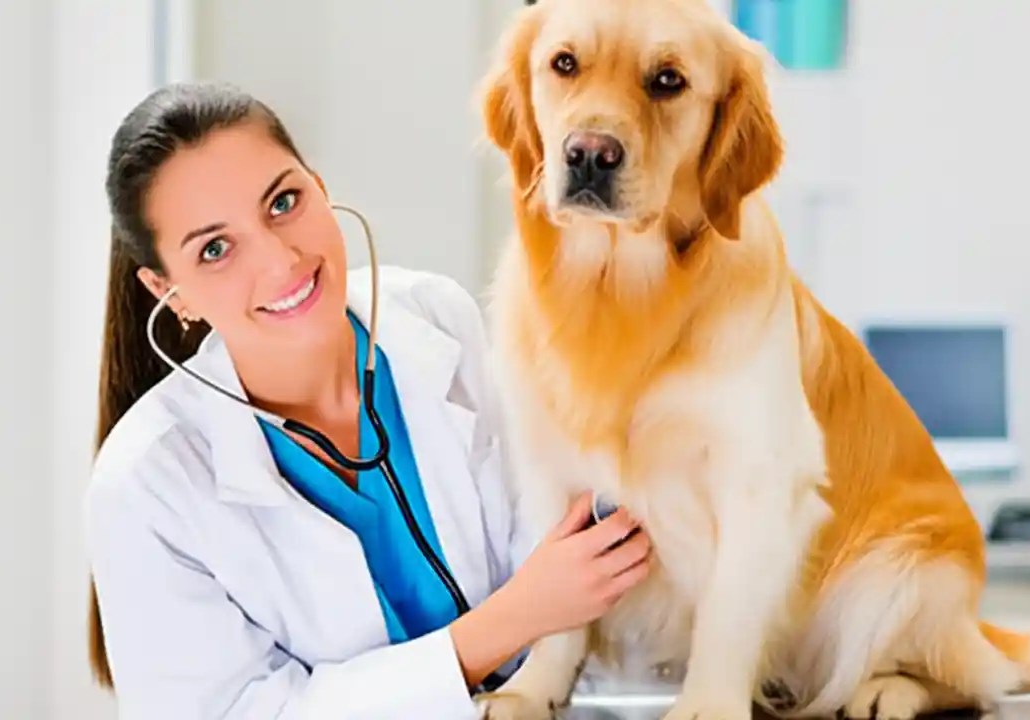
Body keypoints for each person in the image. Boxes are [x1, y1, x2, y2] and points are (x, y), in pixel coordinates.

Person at [85, 80, 652, 719]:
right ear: (171, 291)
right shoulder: (146, 483)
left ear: (319, 188)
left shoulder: (437, 318)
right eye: (215, 249)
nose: (280, 259)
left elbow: (547, 526)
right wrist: (513, 619)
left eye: (283, 202)